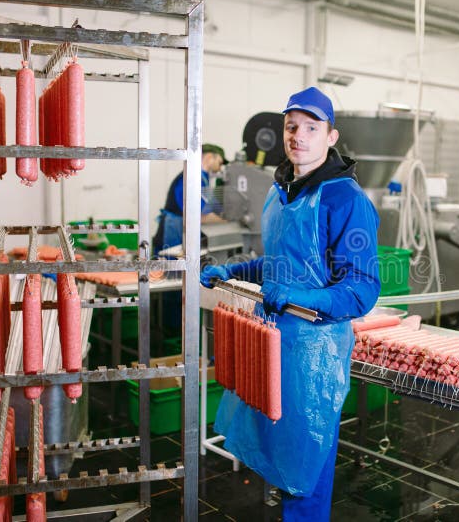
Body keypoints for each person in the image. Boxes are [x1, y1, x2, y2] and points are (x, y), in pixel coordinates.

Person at [200, 87, 380, 520]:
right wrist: (236, 271)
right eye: (291, 126)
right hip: (274, 341)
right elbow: (280, 263)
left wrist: (298, 296)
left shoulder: (345, 199)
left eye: (311, 128)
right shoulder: (280, 190)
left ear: (331, 137)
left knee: (307, 462)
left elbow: (361, 288)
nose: (299, 135)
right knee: (278, 450)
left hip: (314, 353)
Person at [152, 143, 225, 256]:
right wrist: (227, 223)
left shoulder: (203, 178)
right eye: (219, 163)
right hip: (174, 228)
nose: (220, 168)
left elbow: (209, 207)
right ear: (210, 157)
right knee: (171, 268)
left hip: (182, 227)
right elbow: (199, 215)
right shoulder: (190, 177)